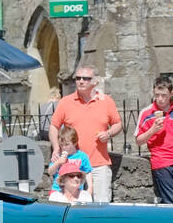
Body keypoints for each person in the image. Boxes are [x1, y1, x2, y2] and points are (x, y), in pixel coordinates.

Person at [49, 65, 121, 202]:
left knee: (102, 207)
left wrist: (109, 133)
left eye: (86, 78)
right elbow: (53, 126)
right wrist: (56, 148)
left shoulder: (106, 101)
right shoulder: (66, 102)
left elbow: (118, 124)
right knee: (76, 209)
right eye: (78, 78)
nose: (81, 81)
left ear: (95, 82)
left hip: (99, 164)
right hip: (73, 167)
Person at [136, 74, 173, 204]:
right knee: (172, 202)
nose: (160, 99)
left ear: (171, 94)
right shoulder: (147, 113)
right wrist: (152, 130)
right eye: (157, 95)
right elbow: (139, 140)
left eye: (163, 95)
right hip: (161, 163)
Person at [47, 124, 91, 192]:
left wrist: (90, 188)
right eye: (61, 145)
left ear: (75, 143)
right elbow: (50, 172)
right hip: (58, 190)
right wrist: (58, 162)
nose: (64, 147)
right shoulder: (58, 155)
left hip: (76, 191)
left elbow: (88, 172)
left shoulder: (82, 156)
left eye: (67, 144)